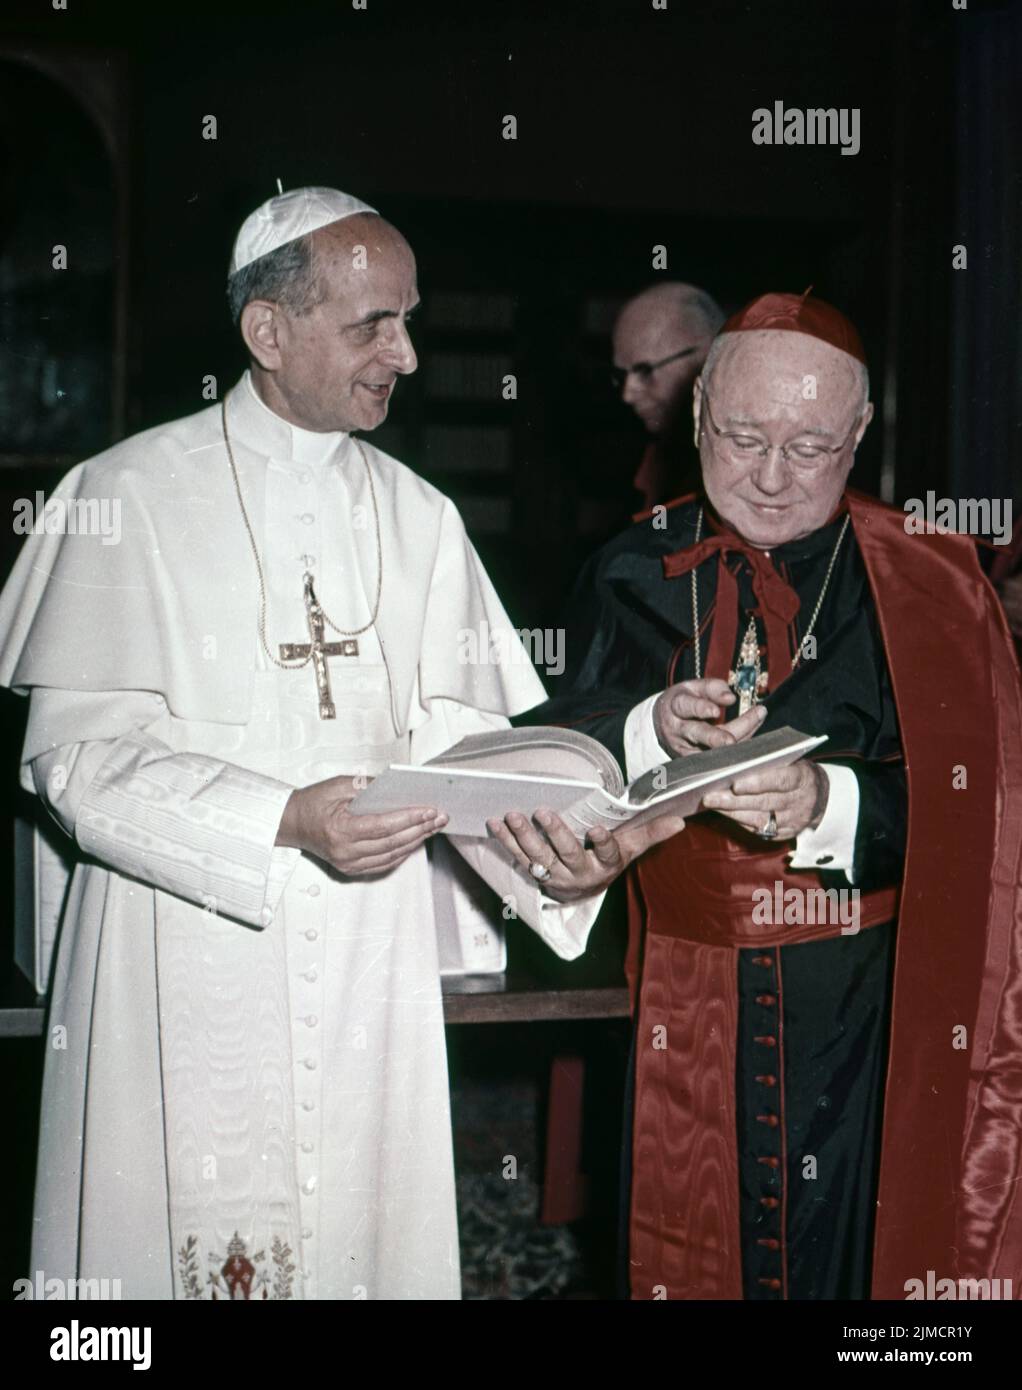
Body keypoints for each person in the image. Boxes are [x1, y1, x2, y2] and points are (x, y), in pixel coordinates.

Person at [0, 186, 671, 1301]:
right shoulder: (117, 496)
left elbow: (470, 760)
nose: (406, 354)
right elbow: (78, 763)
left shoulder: (421, 518)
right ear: (268, 331)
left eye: (408, 320)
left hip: (370, 958)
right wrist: (281, 817)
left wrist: (565, 841)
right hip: (175, 947)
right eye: (375, 324)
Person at [496, 291, 1022, 1300]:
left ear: (859, 434)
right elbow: (545, 756)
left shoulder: (932, 581)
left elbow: (991, 820)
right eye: (740, 437)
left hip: (871, 1004)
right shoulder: (627, 567)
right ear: (696, 419)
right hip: (683, 1000)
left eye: (810, 445)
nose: (772, 477)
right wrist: (646, 730)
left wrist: (831, 802)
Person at [611, 282, 724, 509]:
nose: (627, 395)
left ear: (705, 355)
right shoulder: (661, 457)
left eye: (644, 371)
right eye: (621, 375)